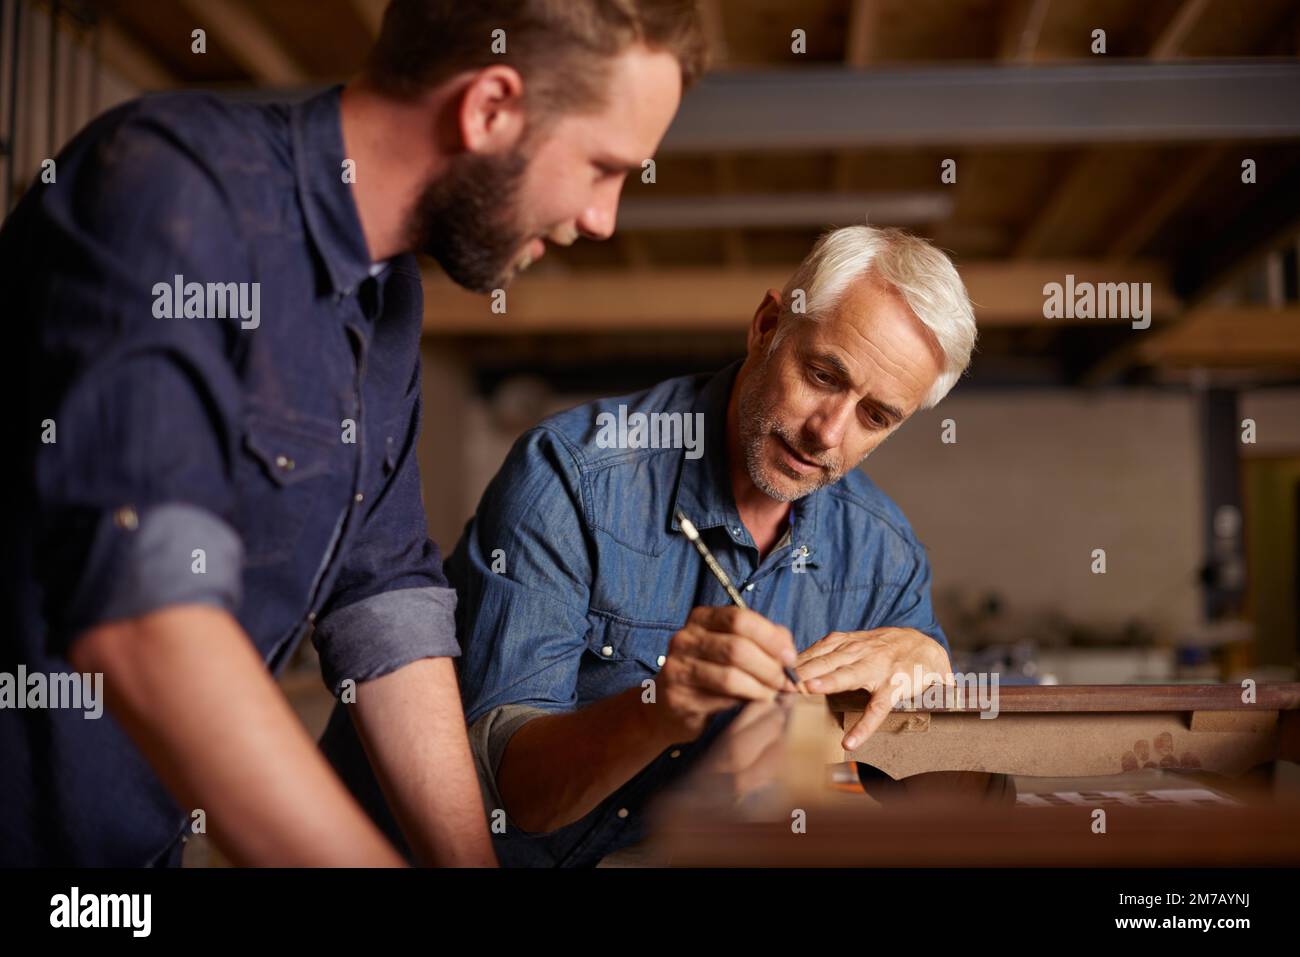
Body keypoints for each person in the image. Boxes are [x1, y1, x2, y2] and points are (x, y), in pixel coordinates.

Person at [0, 0, 706, 866]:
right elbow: (147, 620)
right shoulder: (169, 191)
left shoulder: (386, 298)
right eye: (604, 166)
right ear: (488, 106)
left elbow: (382, 599)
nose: (604, 219)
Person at [326, 224, 978, 865]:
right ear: (767, 325)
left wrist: (931, 671)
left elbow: (937, 798)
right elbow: (512, 793)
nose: (826, 434)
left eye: (875, 416)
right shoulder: (573, 476)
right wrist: (658, 709)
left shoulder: (882, 551)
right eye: (824, 375)